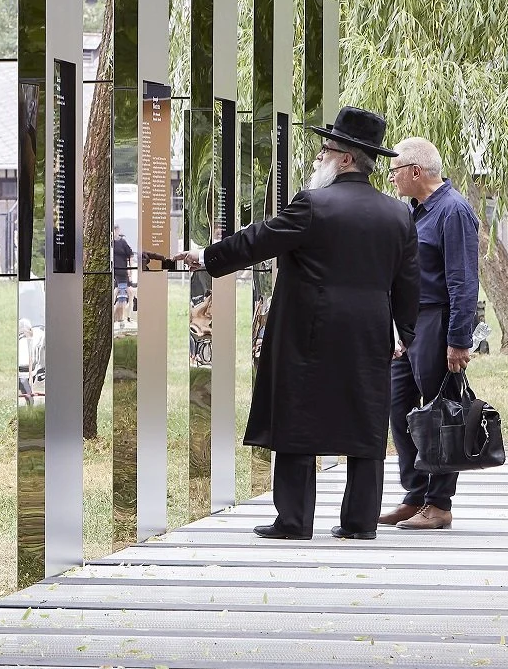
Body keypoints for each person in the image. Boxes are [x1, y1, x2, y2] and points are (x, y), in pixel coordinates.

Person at [177, 106, 418, 541]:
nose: (316, 158)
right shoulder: (398, 214)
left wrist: (207, 257)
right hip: (368, 332)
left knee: (297, 416)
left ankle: (293, 520)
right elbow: (408, 284)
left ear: (345, 159)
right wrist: (405, 334)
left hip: (310, 331)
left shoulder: (313, 205)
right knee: (365, 421)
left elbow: (257, 240)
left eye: (324, 150)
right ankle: (360, 522)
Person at [382, 135, 481, 532]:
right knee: (399, 406)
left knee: (440, 413)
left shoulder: (453, 212)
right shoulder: (416, 210)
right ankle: (415, 495)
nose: (390, 178)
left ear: (415, 172)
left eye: (395, 171)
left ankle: (439, 504)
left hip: (437, 322)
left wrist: (458, 340)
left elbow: (463, 281)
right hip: (409, 327)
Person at [112, 226, 135, 321]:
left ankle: (126, 317)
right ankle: (119, 318)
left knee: (129, 293)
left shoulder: (122, 242)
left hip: (122, 271)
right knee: (121, 294)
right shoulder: (111, 243)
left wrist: (130, 270)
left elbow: (130, 255)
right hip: (117, 271)